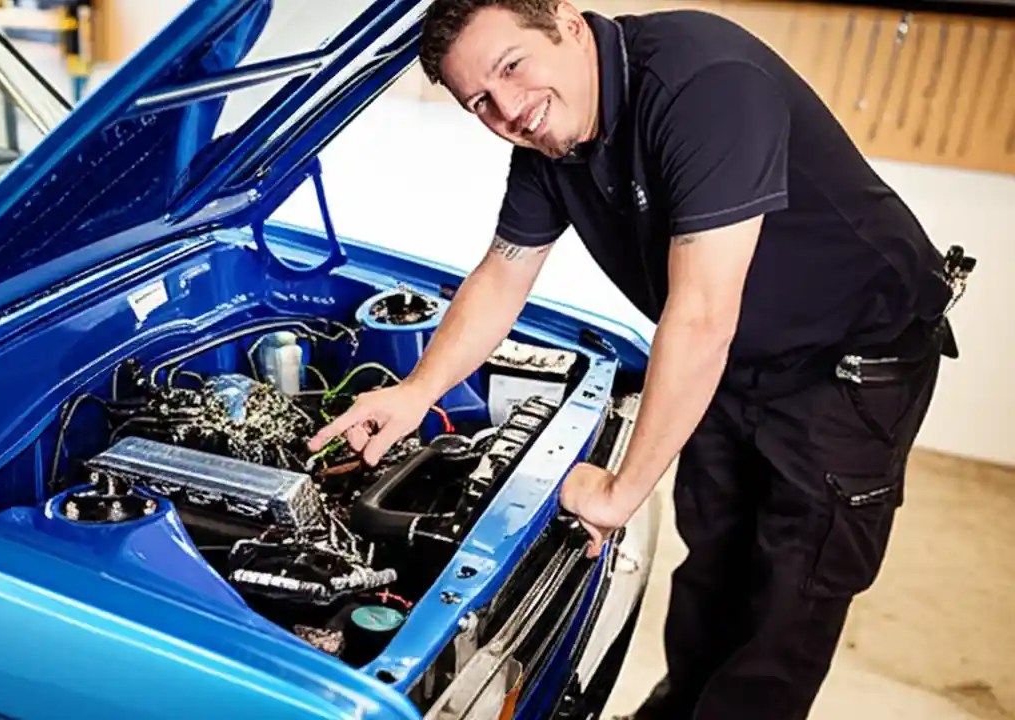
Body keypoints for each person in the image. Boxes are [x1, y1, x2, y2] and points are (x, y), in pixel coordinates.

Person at [307, 1, 966, 718]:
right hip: (736, 360)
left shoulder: (702, 84)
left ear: (564, 19)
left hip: (848, 366)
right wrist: (415, 391)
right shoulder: (548, 143)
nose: (508, 111)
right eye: (480, 103)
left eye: (512, 67)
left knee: (787, 605)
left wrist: (621, 492)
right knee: (712, 565)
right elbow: (502, 273)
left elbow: (703, 317)